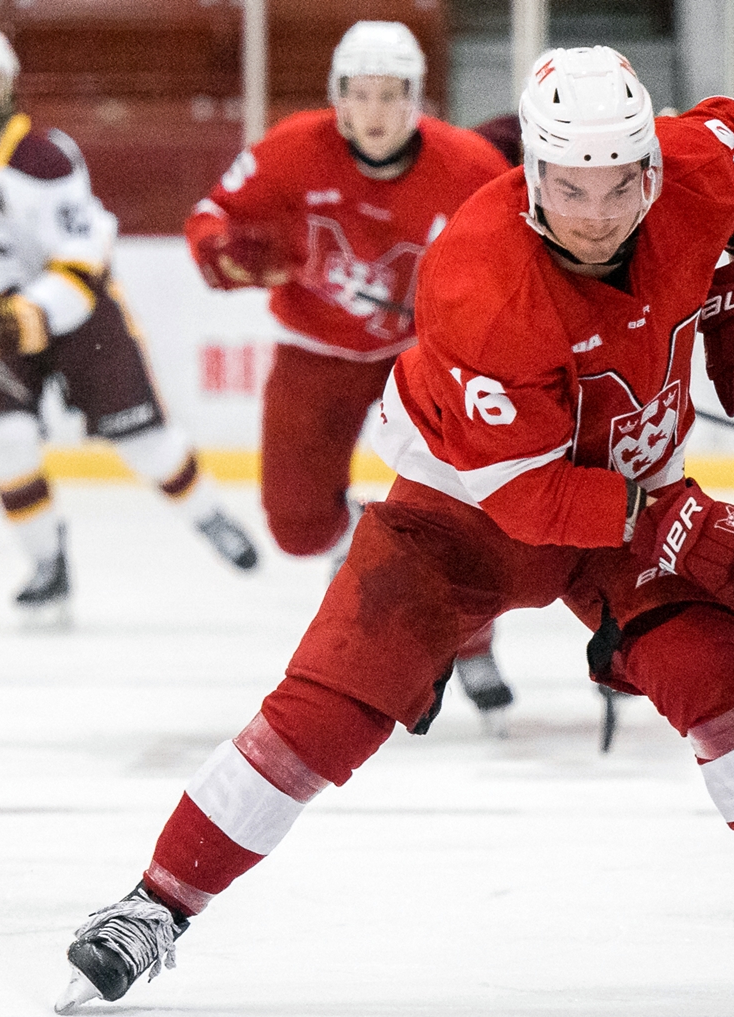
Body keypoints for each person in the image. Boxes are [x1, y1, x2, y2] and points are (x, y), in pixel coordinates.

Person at [53, 46, 734, 1017]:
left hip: (630, 489)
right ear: (532, 174)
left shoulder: (693, 169)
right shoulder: (478, 282)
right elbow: (528, 500)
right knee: (333, 698)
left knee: (720, 674)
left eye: (620, 184)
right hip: (460, 515)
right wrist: (673, 523)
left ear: (653, 170)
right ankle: (156, 903)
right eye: (569, 188)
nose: (595, 213)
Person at [185, 21, 518, 719]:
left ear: (417, 98)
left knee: (466, 506)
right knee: (296, 526)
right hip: (318, 348)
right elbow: (211, 216)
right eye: (360, 94)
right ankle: (366, 534)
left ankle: (475, 639)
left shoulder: (468, 166)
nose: (374, 111)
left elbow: (523, 258)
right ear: (338, 96)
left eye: (391, 94)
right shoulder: (293, 149)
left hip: (424, 358)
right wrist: (225, 252)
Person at [0, 26, 260, 626]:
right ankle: (47, 565)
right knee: (5, 444)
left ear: (7, 85)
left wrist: (25, 316)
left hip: (78, 317)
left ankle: (207, 512)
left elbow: (83, 263)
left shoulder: (47, 158)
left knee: (144, 443)